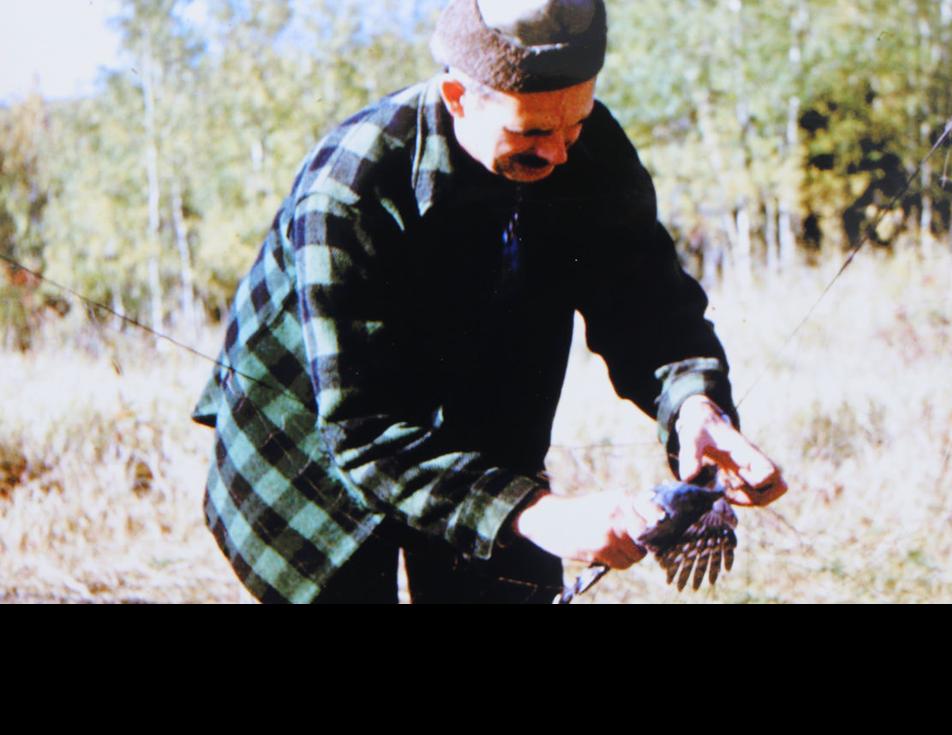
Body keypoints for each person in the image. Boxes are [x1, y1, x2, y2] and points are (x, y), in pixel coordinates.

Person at [192, 0, 786, 603]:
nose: (558, 154)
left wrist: (694, 408)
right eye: (530, 133)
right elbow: (362, 433)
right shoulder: (349, 192)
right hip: (311, 457)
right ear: (458, 96)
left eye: (573, 126)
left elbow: (646, 304)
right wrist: (548, 517)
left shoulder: (588, 153)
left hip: (484, 436)